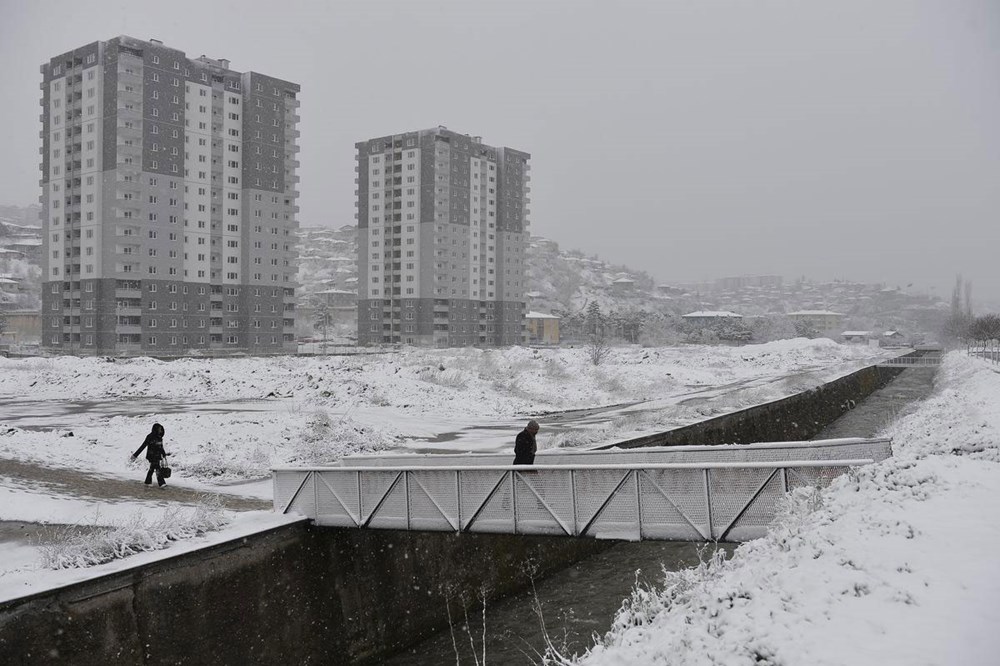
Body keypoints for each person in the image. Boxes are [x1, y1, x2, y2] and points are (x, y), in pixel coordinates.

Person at [132, 423, 168, 487]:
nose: (161, 431)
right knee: (157, 468)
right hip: (151, 455)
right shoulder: (150, 437)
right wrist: (135, 455)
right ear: (156, 429)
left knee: (152, 469)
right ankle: (161, 483)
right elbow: (143, 446)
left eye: (161, 429)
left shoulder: (159, 437)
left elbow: (161, 447)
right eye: (159, 429)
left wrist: (164, 455)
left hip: (157, 456)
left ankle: (148, 481)